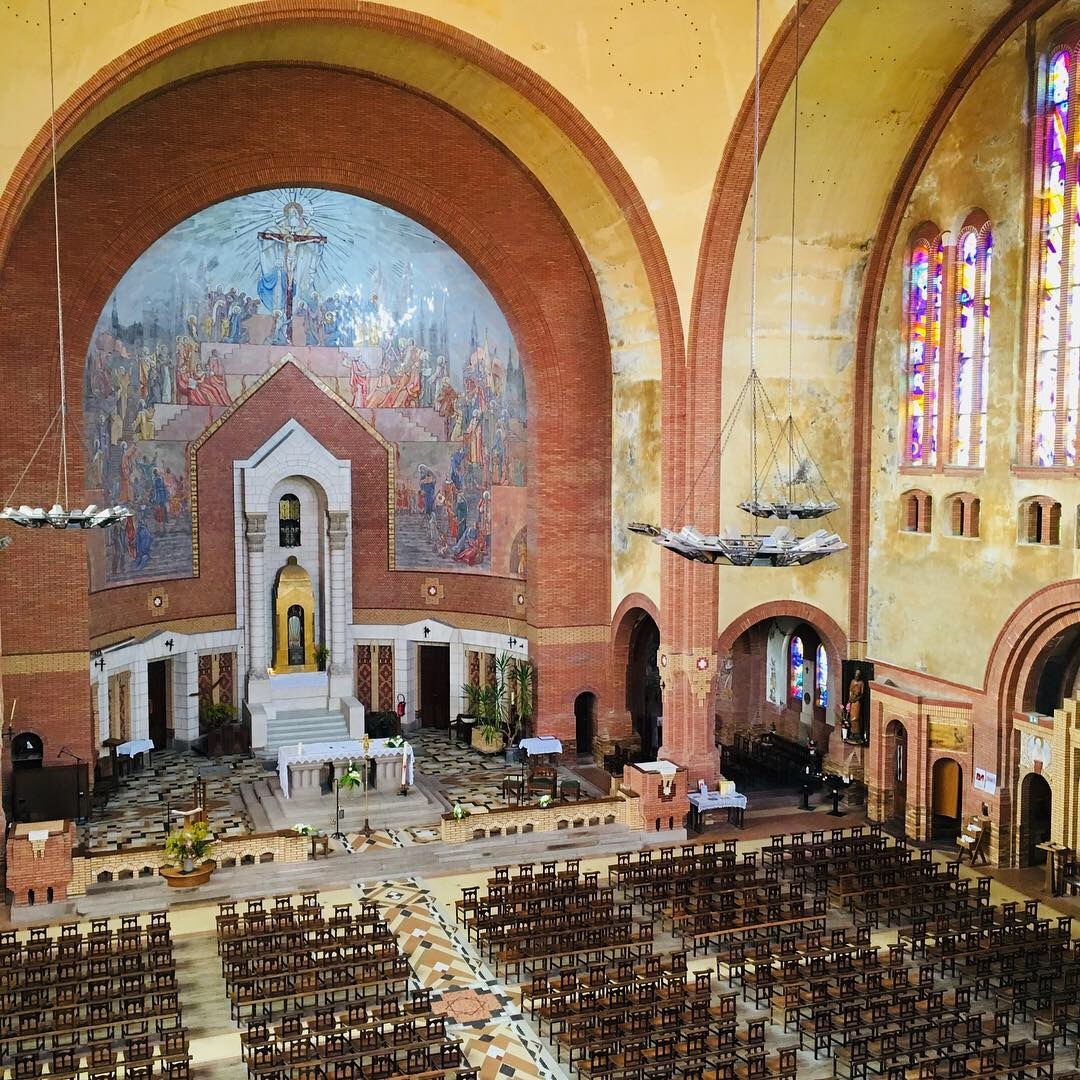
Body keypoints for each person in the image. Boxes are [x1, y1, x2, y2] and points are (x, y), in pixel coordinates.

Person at [847, 667, 866, 741]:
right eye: (856, 674)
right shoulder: (852, 681)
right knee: (851, 718)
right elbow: (850, 691)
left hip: (857, 701)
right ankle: (852, 732)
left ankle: (857, 733)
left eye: (858, 674)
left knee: (856, 718)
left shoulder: (861, 683)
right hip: (852, 700)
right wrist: (850, 699)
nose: (856, 675)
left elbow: (862, 694)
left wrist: (856, 699)